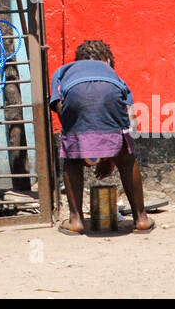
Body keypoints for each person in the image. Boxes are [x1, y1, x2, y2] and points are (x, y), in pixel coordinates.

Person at [51, 40, 153, 235]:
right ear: (107, 60)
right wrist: (118, 153)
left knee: (71, 159)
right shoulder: (112, 74)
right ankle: (141, 219)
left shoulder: (64, 71)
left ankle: (75, 220)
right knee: (127, 157)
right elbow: (130, 115)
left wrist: (75, 141)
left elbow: (58, 104)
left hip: (74, 94)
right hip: (112, 95)